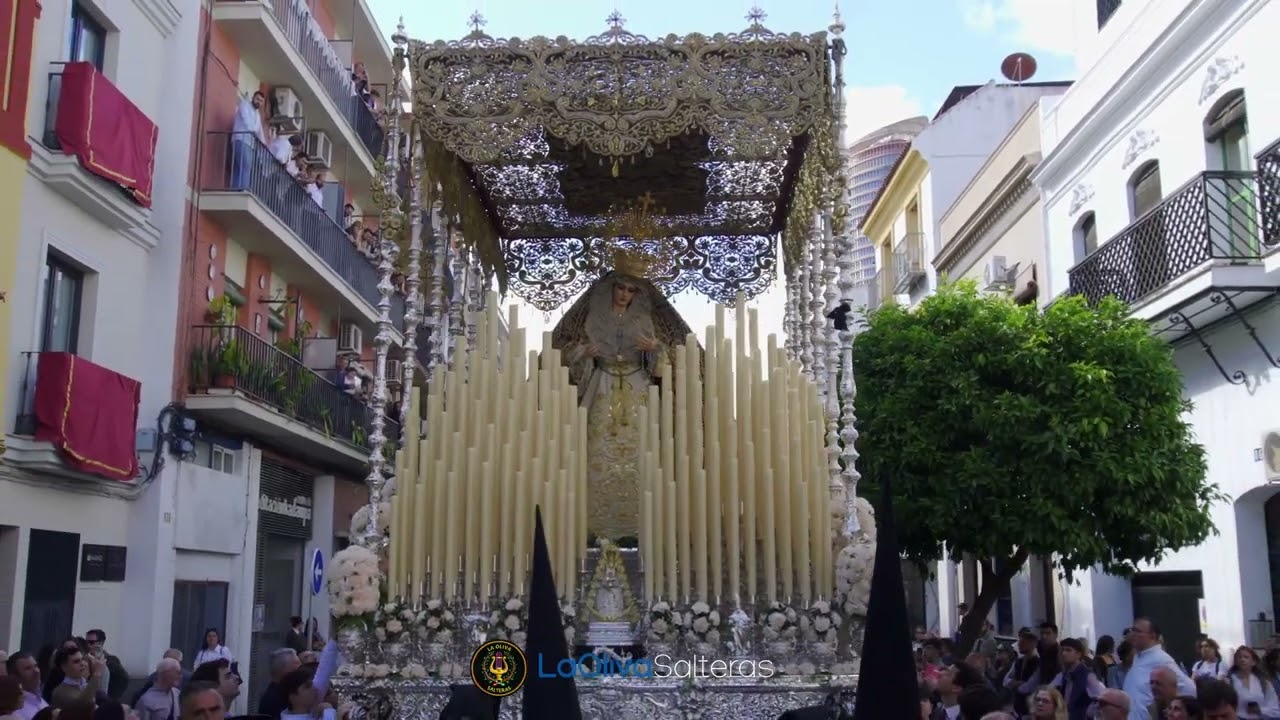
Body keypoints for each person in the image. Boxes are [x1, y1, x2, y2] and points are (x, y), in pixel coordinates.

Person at [551, 268, 695, 542]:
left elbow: (660, 366)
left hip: (636, 386)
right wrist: (584, 353)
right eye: (620, 288)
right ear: (611, 289)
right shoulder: (595, 318)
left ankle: (640, 523)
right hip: (602, 382)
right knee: (594, 446)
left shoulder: (642, 320)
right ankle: (596, 524)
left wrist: (654, 349)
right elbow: (571, 353)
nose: (624, 295)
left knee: (643, 448)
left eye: (630, 291)